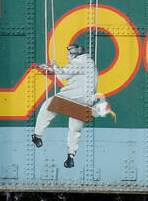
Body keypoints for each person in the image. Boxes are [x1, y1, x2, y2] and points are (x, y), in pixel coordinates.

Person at [32, 40, 99, 169]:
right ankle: (71, 156)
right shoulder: (91, 63)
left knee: (47, 106)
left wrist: (55, 66)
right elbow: (76, 75)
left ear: (74, 55)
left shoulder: (79, 61)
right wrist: (52, 70)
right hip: (86, 104)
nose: (67, 57)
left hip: (71, 99)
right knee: (75, 129)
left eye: (68, 55)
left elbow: (63, 76)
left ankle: (37, 135)